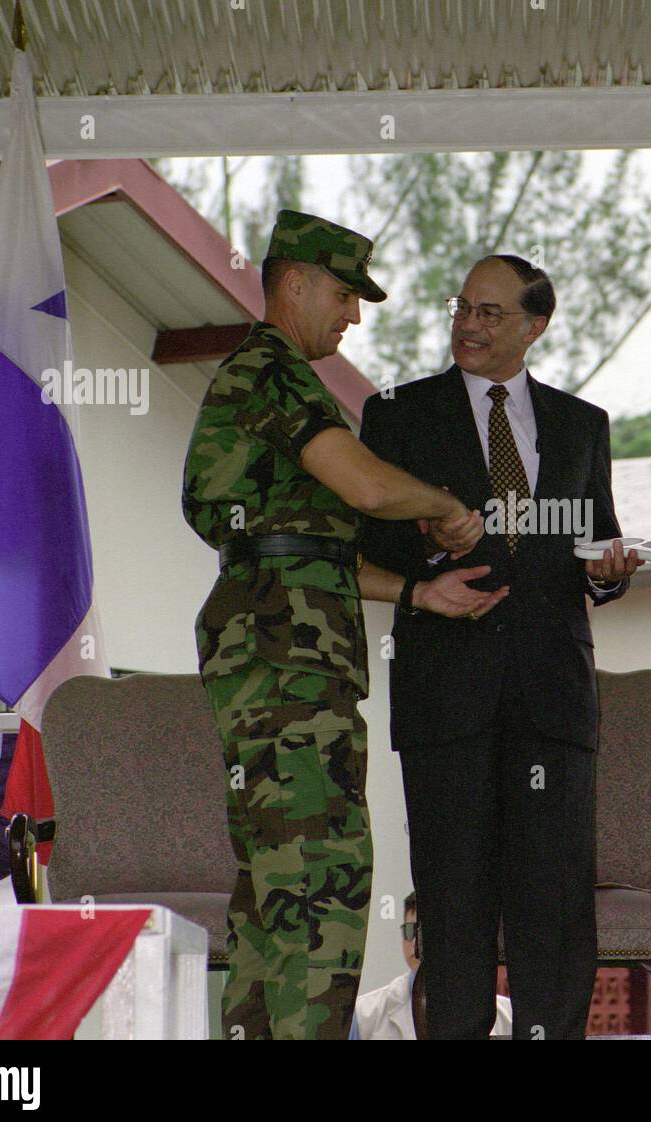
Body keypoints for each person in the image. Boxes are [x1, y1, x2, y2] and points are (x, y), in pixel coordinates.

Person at [182, 210, 510, 1041]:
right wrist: (445, 508)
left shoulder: (274, 377)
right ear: (293, 282)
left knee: (273, 895)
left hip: (281, 642)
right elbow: (361, 488)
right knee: (320, 887)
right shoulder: (271, 369)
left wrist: (414, 594)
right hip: (286, 660)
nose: (353, 315)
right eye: (343, 292)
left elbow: (308, 545)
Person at [359, 254, 640, 1040]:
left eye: (490, 313)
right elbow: (369, 541)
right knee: (453, 909)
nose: (469, 326)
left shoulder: (583, 425)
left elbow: (597, 541)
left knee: (554, 912)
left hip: (552, 695)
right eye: (462, 308)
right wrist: (431, 554)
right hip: (446, 695)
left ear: (535, 326)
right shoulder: (396, 414)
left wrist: (613, 569)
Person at [349, 892, 513, 1039]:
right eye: (409, 931)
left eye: (424, 933)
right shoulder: (364, 1015)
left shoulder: (508, 1016)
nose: (415, 945)